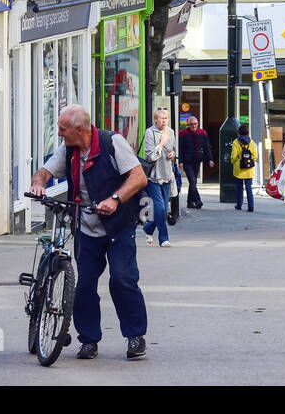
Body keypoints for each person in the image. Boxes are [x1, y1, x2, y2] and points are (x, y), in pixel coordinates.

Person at [29, 104, 149, 361]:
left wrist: (115, 199)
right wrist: (38, 184)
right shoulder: (69, 149)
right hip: (86, 226)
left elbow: (139, 178)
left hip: (119, 225)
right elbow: (45, 171)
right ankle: (89, 340)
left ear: (78, 129)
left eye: (63, 129)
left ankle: (135, 336)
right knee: (83, 285)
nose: (59, 133)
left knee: (122, 280)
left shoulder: (111, 143)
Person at [140, 107, 176, 247]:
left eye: (166, 118)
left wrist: (172, 154)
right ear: (156, 119)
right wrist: (161, 143)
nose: (164, 121)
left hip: (167, 174)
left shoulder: (171, 132)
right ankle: (164, 239)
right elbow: (150, 156)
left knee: (163, 207)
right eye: (161, 118)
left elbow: (173, 149)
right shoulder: (150, 132)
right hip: (154, 175)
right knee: (160, 208)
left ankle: (148, 228)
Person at [177, 115, 214, 209]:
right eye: (192, 124)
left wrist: (210, 159)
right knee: (193, 181)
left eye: (195, 124)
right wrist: (180, 161)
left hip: (197, 161)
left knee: (193, 183)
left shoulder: (202, 133)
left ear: (198, 124)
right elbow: (180, 148)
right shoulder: (183, 134)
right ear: (188, 124)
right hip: (186, 161)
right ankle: (198, 200)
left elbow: (207, 147)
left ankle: (190, 202)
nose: (194, 126)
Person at [229, 123, 257, 211]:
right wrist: (250, 160)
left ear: (239, 133)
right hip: (249, 169)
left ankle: (239, 205)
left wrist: (234, 162)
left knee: (239, 188)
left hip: (239, 168)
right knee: (249, 188)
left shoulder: (236, 142)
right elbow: (255, 156)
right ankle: (251, 206)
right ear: (247, 132)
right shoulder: (251, 142)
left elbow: (233, 156)